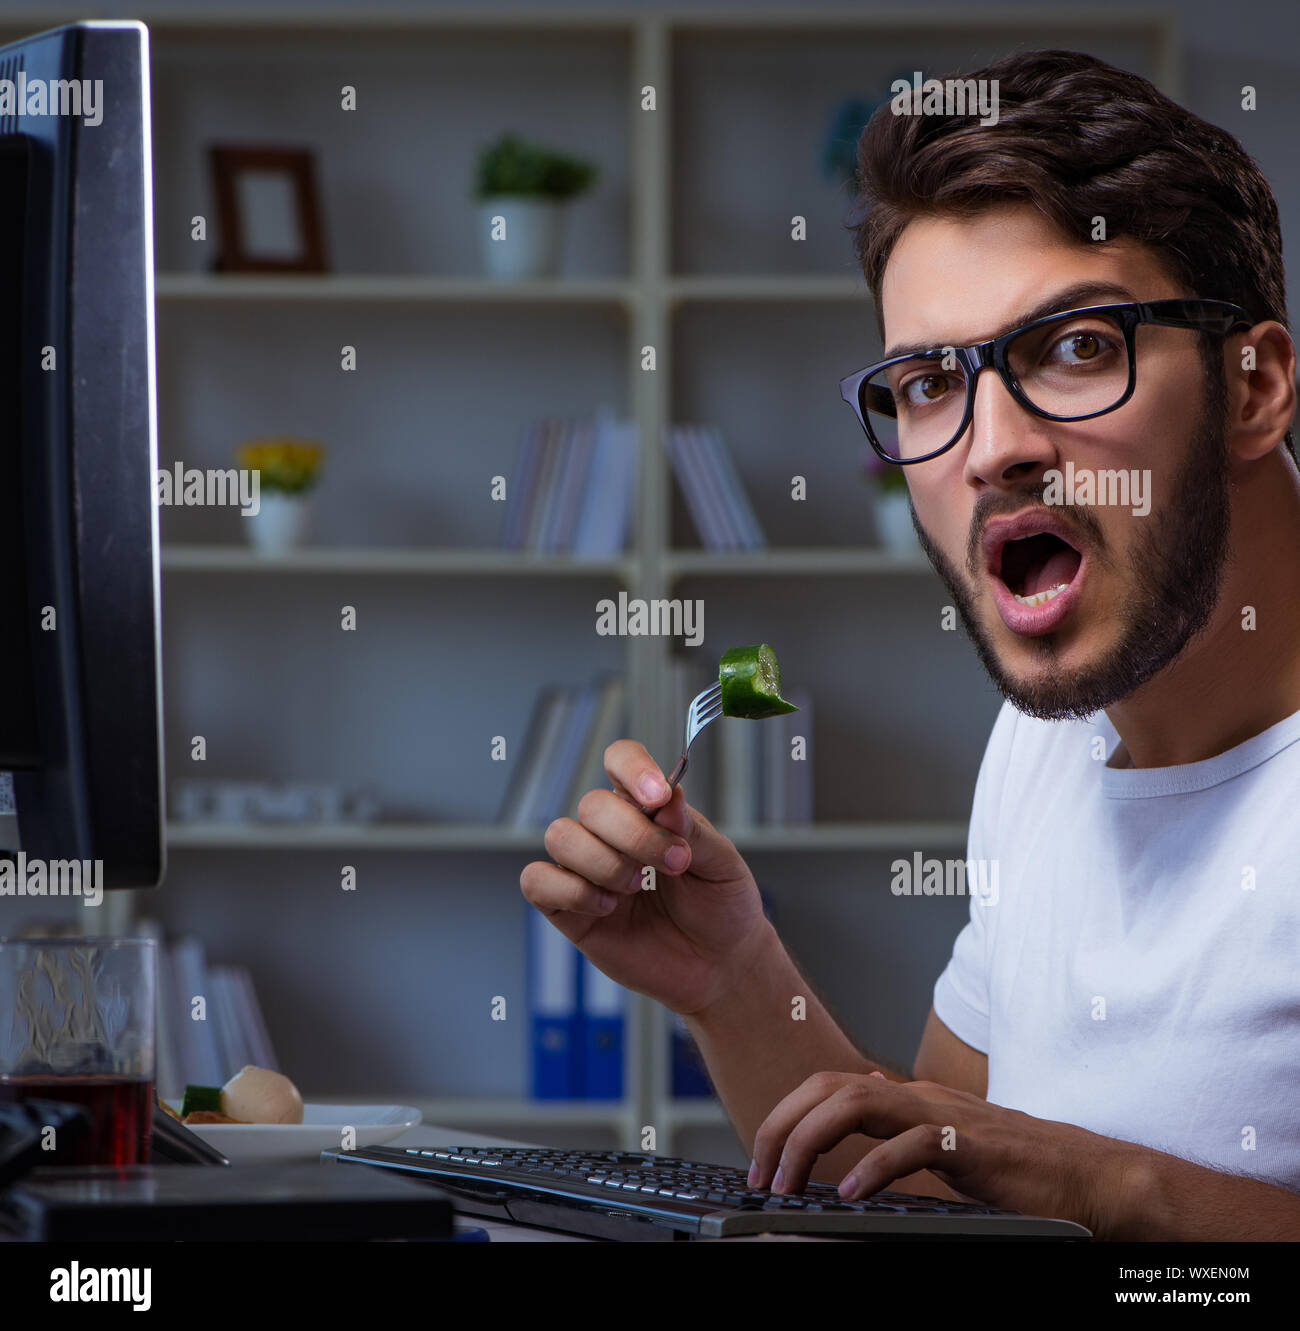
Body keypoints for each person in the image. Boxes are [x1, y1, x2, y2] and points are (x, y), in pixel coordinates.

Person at [520, 48, 1300, 1240]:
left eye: (1078, 346)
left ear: (1255, 384)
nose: (991, 447)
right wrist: (732, 979)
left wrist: (1107, 1187)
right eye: (932, 381)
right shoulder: (1043, 743)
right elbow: (948, 1197)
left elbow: (1048, 1177)